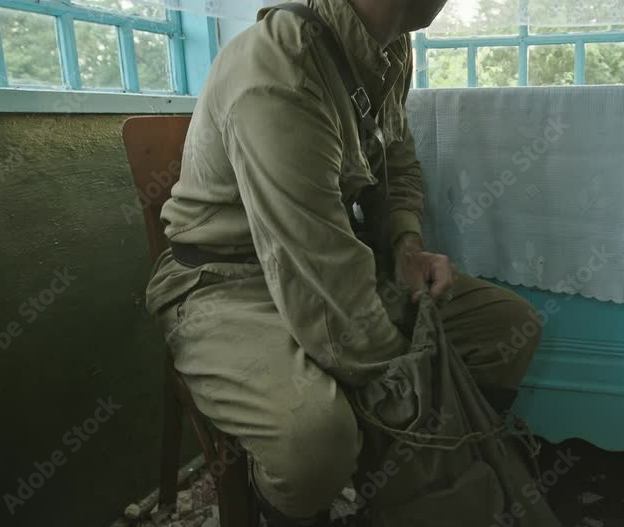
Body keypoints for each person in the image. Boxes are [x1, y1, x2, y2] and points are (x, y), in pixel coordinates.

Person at [145, 0, 541, 524]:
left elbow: (395, 158)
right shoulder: (278, 70)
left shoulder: (388, 46)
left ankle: (417, 479)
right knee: (314, 443)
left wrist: (405, 246)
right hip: (224, 284)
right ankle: (385, 483)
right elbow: (323, 291)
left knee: (504, 329)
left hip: (329, 260)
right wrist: (411, 378)